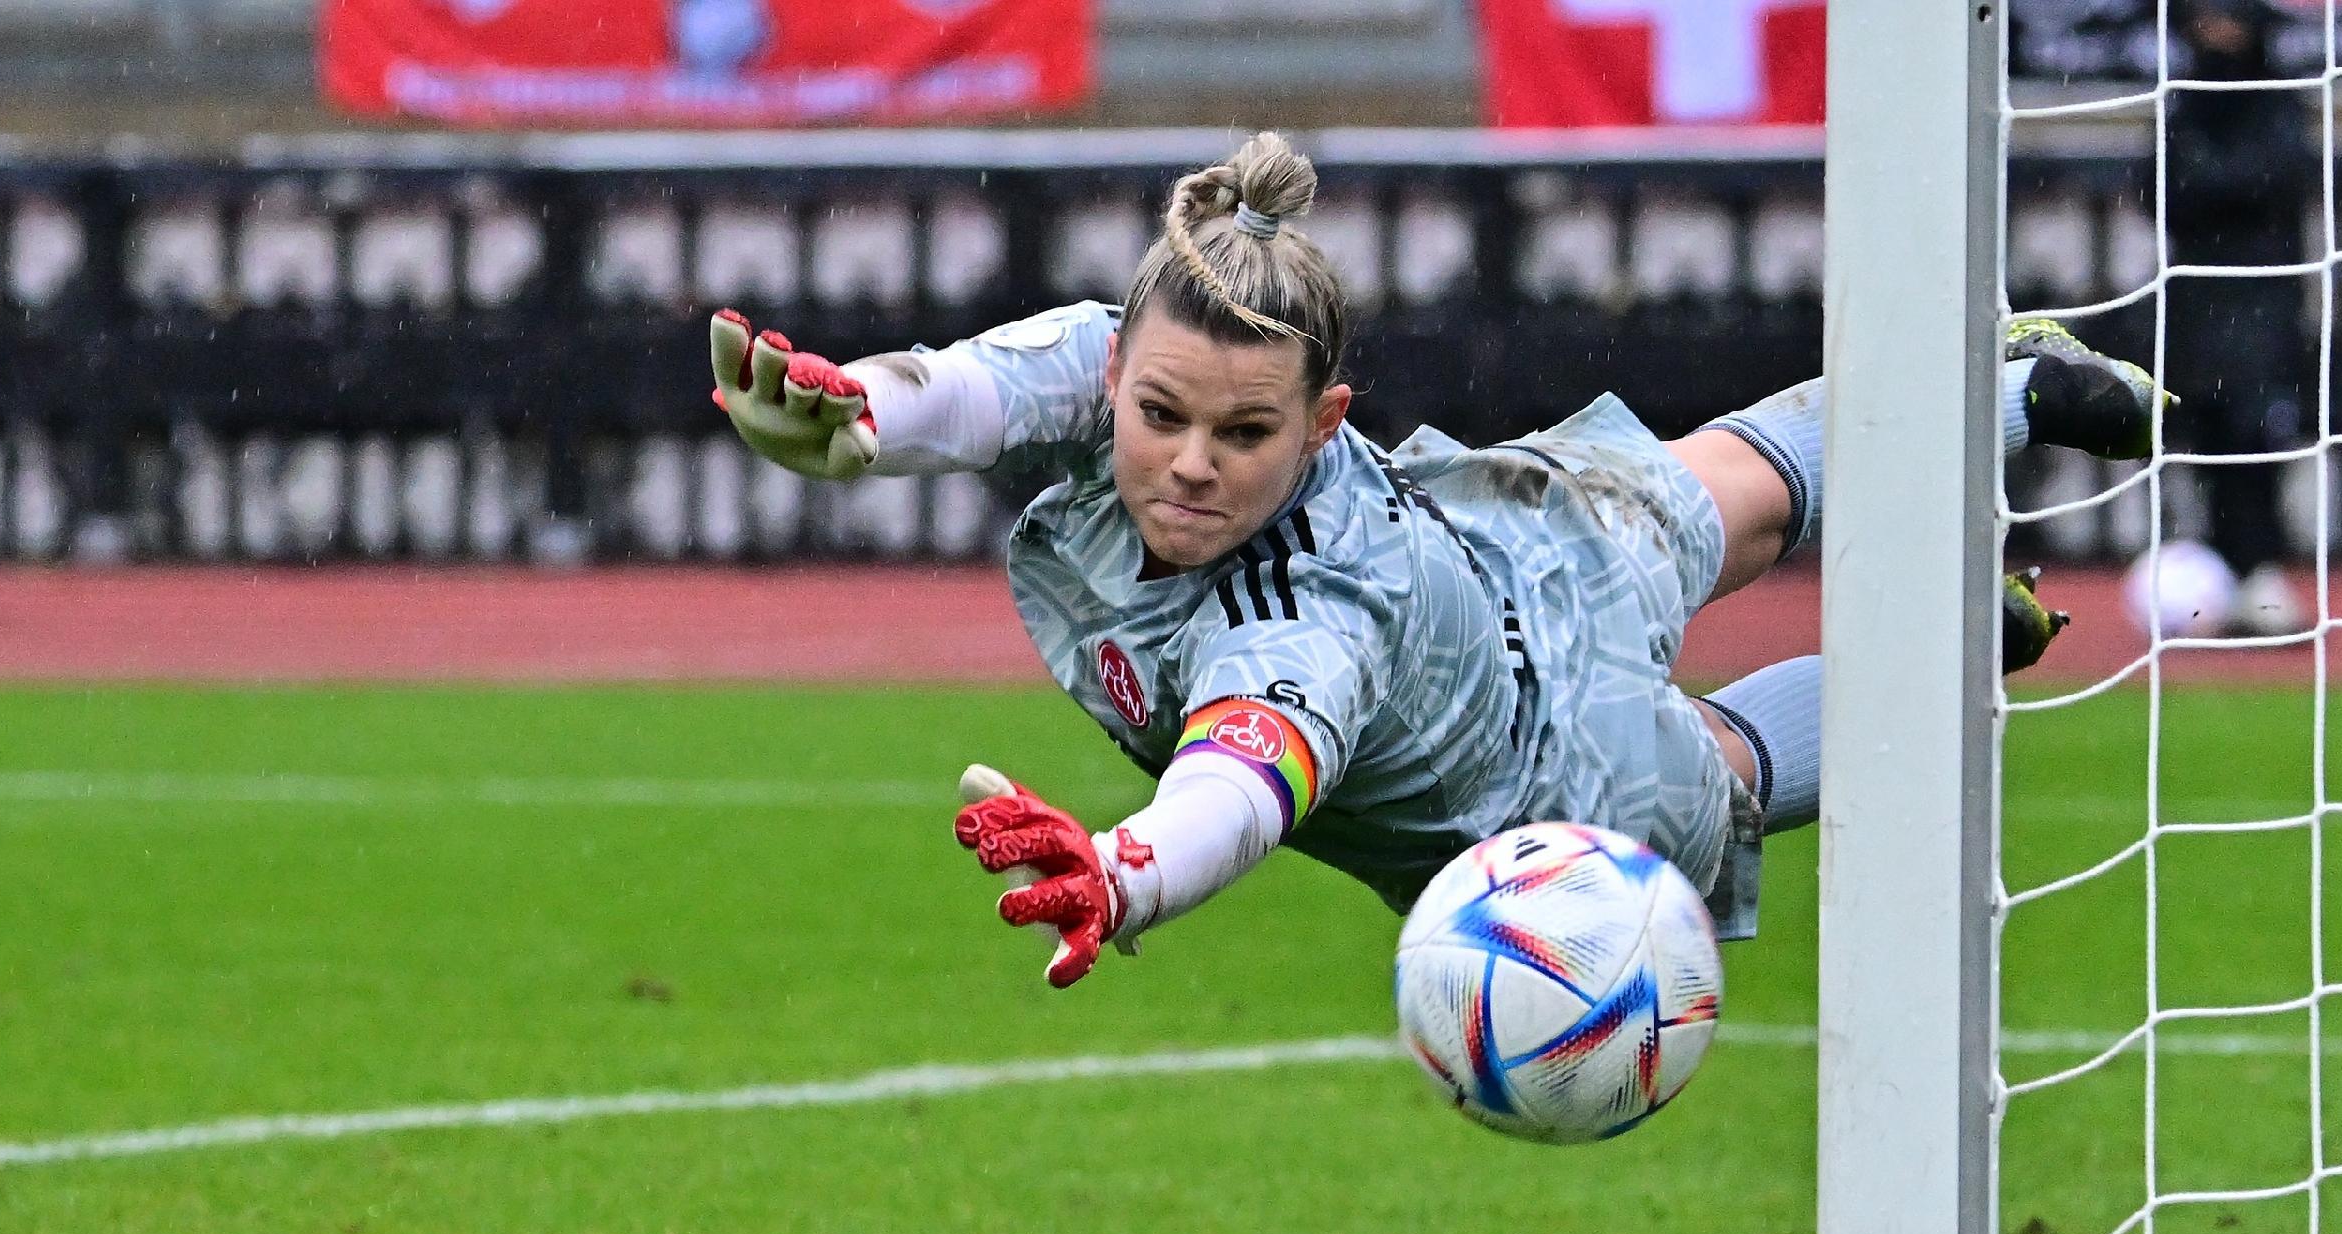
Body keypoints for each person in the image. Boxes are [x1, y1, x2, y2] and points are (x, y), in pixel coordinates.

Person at [711, 132, 2162, 986]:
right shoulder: (1112, 354)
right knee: (1714, 570)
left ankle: (2006, 392)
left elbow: (1235, 789)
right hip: (1486, 624)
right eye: (1159, 416)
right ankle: (1968, 556)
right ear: (1118, 379)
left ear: (1327, 421)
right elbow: (960, 391)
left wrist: (1122, 872)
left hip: (1536, 745)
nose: (1192, 460)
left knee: (1726, 619)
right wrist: (852, 420)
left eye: (1245, 431)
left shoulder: (1304, 629)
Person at [2163, 0, 2316, 635]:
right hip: (2200, 302)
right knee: (2209, 438)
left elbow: (2268, 181)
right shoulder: (2185, 106)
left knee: (2260, 436)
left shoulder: (2278, 105)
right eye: (2205, 19)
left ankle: (2261, 572)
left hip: (2266, 300)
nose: (2217, 34)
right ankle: (2219, 576)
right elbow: (2168, 193)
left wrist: (2216, 185)